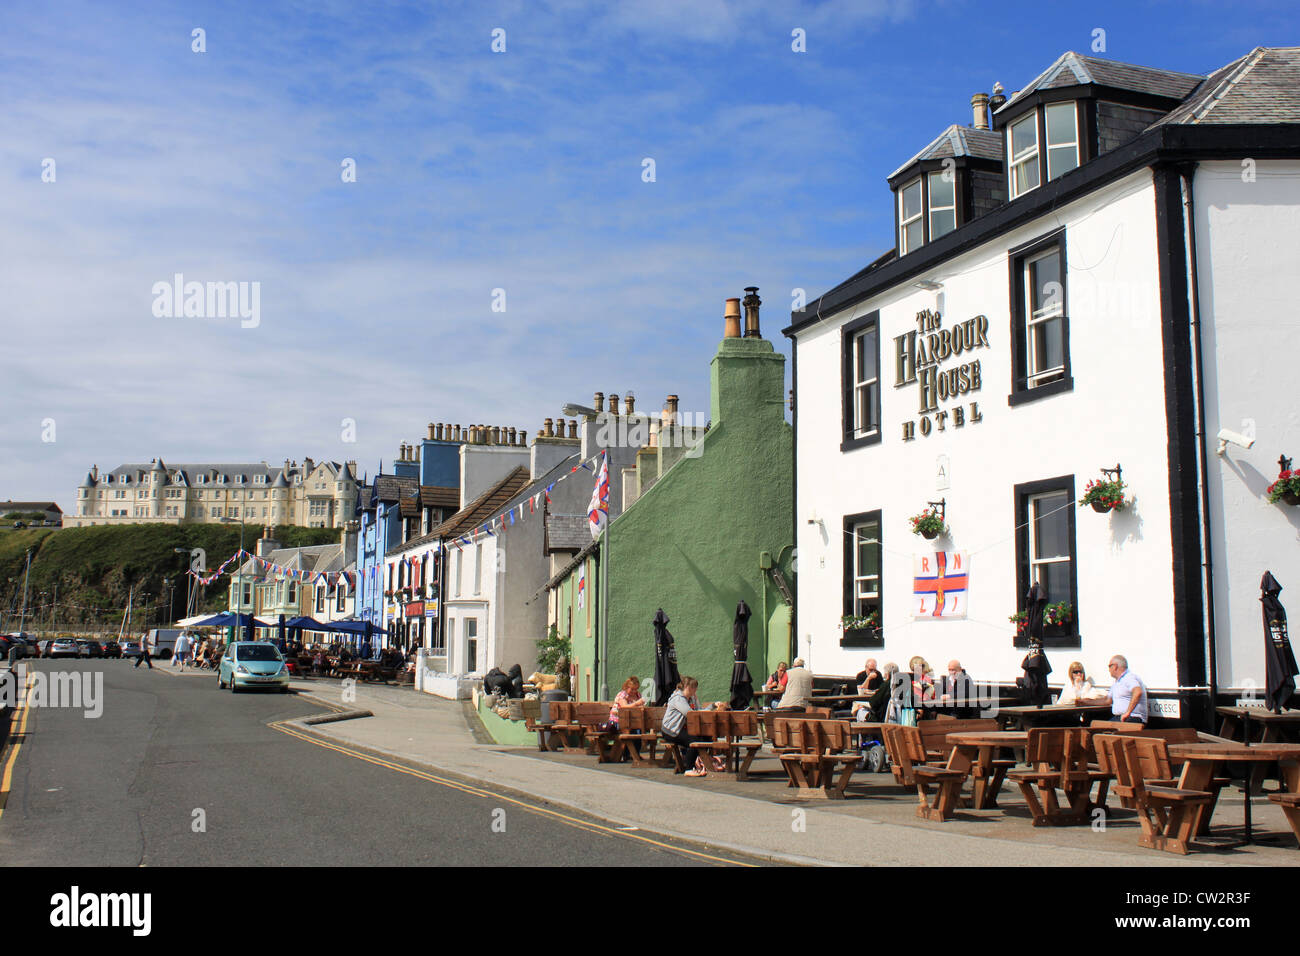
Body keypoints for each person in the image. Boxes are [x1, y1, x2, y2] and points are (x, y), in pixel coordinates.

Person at [660, 676, 718, 776]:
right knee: (695, 740)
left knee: (706, 737)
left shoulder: (690, 698)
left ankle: (700, 763)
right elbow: (690, 714)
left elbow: (698, 710)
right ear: (687, 687)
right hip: (671, 730)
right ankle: (689, 768)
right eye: (694, 687)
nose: (695, 690)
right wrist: (705, 706)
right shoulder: (678, 699)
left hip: (679, 729)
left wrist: (712, 706)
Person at [1102, 655, 1148, 724]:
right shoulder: (1117, 682)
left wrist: (1127, 713)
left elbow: (1137, 692)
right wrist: (1085, 702)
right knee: (1099, 729)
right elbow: (1107, 700)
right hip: (1120, 718)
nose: (1108, 669)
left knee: (1102, 732)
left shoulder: (1129, 677)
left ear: (1115, 666)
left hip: (1133, 717)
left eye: (1109, 666)